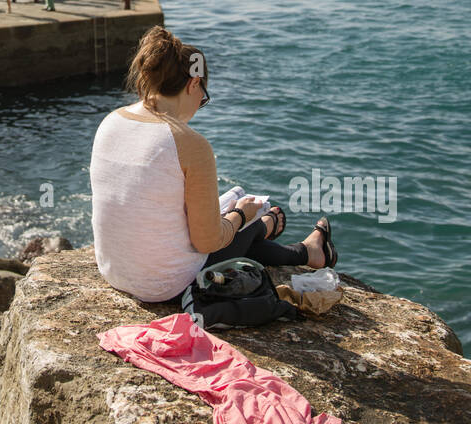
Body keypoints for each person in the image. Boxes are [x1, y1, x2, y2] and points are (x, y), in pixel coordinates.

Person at [89, 27, 337, 305]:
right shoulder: (190, 143)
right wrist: (242, 215)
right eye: (203, 97)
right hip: (163, 284)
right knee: (243, 222)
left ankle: (292, 241)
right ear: (194, 84)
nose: (199, 104)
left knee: (231, 218)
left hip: (114, 271)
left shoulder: (110, 121)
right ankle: (283, 237)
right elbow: (207, 242)